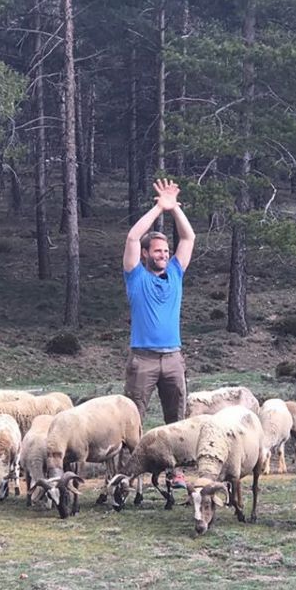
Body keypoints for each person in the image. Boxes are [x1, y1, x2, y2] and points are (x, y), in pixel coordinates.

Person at [123, 178, 196, 424]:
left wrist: (174, 207)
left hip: (174, 358)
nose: (164, 255)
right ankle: (129, 463)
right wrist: (158, 208)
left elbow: (188, 238)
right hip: (143, 359)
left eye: (166, 251)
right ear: (145, 254)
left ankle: (174, 464)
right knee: (132, 421)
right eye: (157, 251)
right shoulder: (136, 276)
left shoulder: (175, 273)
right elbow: (133, 238)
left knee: (178, 422)